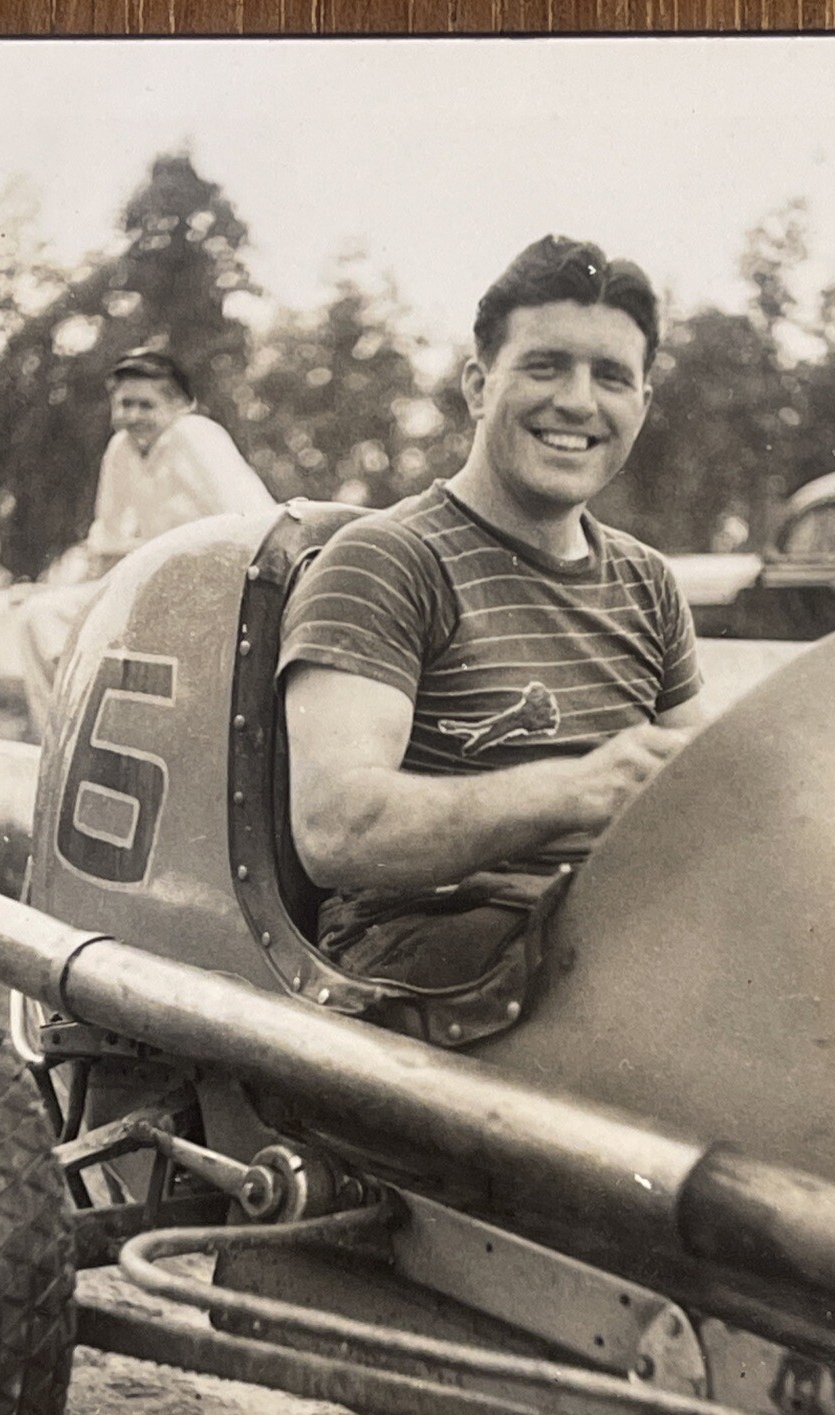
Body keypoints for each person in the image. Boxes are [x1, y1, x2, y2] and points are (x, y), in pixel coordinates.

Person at [278, 236, 704, 994]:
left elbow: (711, 803)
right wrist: (575, 791)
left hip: (611, 941)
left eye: (610, 376)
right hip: (430, 970)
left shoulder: (649, 583)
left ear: (641, 406)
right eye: (545, 366)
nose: (577, 401)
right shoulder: (385, 560)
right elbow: (336, 831)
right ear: (478, 387)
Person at [20, 348, 275, 731]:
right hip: (157, 587)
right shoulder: (120, 450)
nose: (133, 416)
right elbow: (106, 541)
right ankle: (60, 744)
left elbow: (250, 528)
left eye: (146, 405)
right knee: (40, 617)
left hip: (227, 590)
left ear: (180, 405)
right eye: (125, 404)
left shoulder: (195, 435)